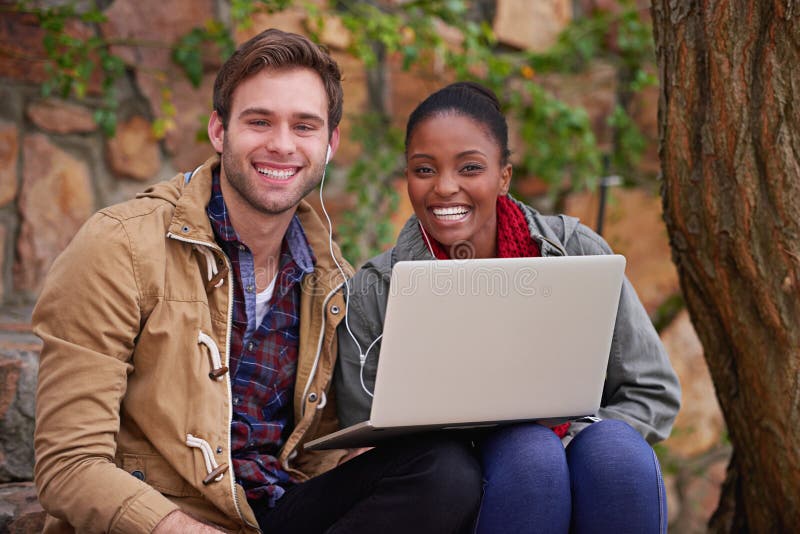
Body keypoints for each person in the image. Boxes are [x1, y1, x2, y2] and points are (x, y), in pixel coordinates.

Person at [32, 30, 482, 534]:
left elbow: (311, 452)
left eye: (304, 126)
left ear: (330, 144)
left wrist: (354, 460)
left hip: (272, 511)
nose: (282, 145)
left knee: (444, 470)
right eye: (259, 121)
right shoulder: (121, 246)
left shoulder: (329, 279)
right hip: (162, 521)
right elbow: (69, 464)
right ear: (219, 131)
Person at [335, 81, 681, 533]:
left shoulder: (576, 252)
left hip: (578, 466)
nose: (445, 187)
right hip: (456, 492)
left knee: (613, 453)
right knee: (529, 458)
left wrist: (569, 445)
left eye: (470, 167)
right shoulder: (374, 291)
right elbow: (369, 442)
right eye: (424, 169)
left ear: (504, 176)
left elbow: (650, 389)